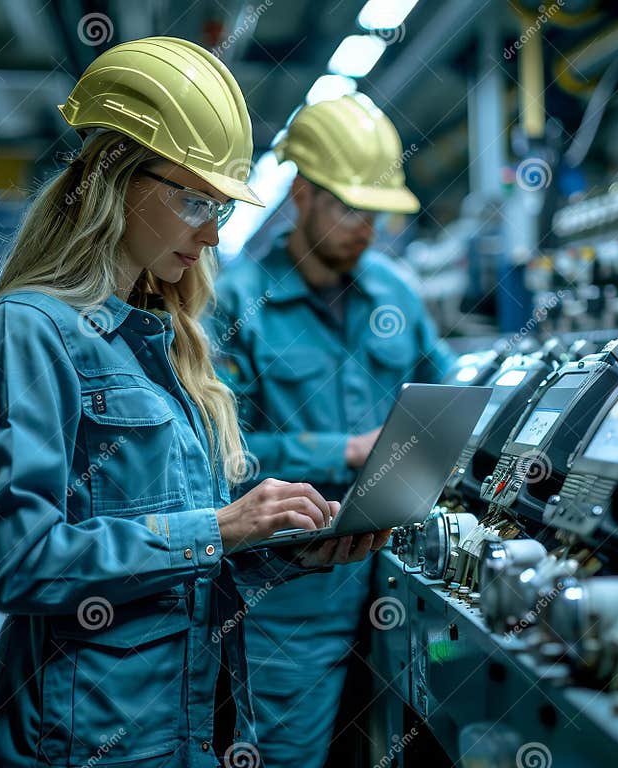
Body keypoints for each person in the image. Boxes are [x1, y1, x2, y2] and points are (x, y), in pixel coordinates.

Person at [0, 39, 389, 768]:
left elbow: (186, 564)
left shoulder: (164, 344)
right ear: (115, 175)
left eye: (217, 208)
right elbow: (22, 562)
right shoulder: (29, 332)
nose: (211, 234)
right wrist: (218, 524)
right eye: (194, 200)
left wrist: (286, 550)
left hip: (184, 729)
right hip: (81, 741)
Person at [212, 94, 456, 768]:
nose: (365, 229)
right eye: (349, 208)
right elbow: (219, 457)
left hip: (402, 570)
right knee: (288, 756)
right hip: (293, 589)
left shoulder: (395, 294)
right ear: (299, 195)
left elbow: (451, 393)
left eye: (374, 212)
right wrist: (342, 451)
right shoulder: (239, 304)